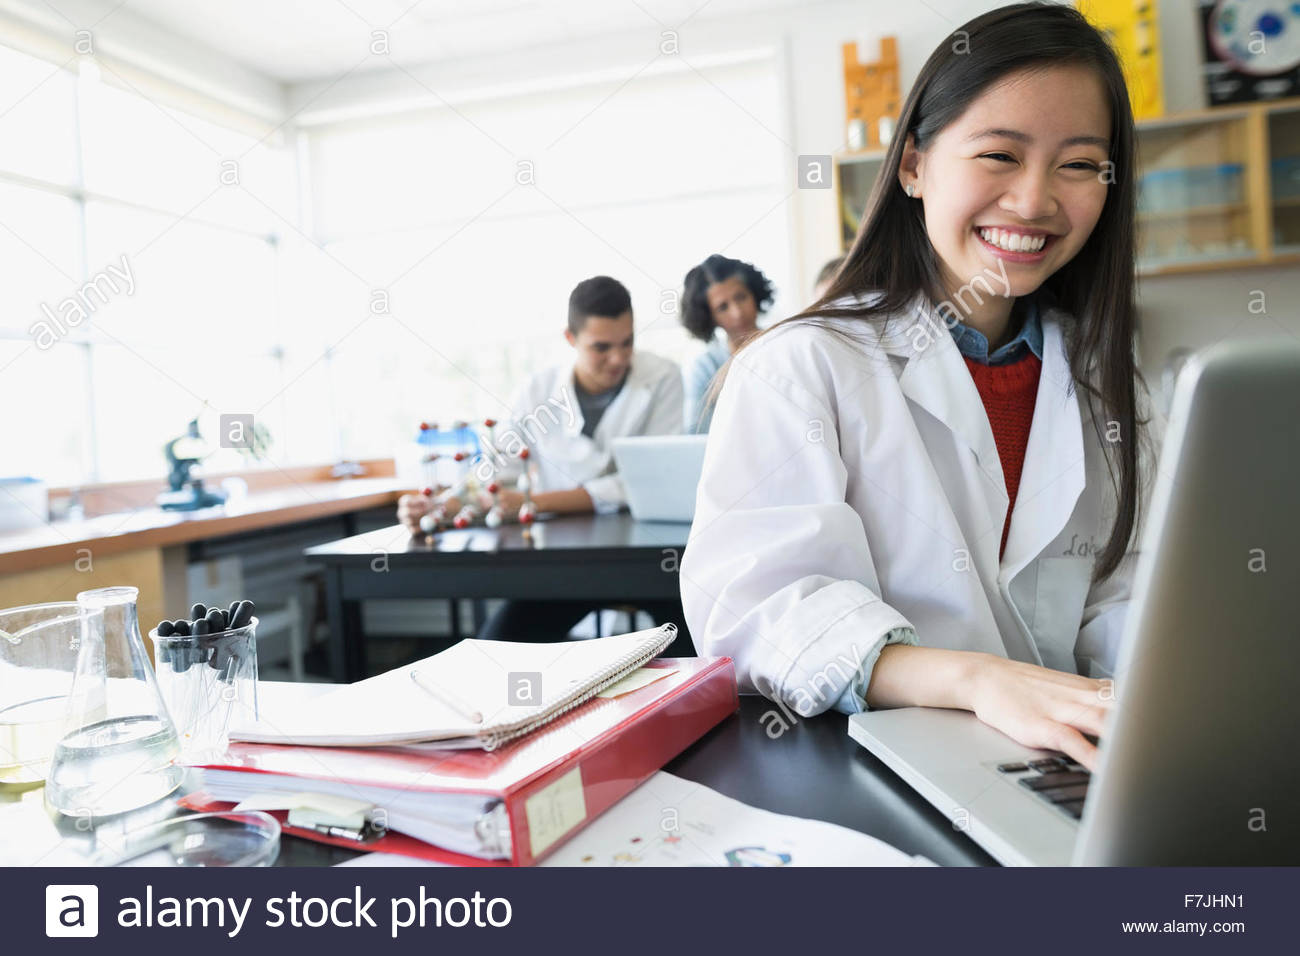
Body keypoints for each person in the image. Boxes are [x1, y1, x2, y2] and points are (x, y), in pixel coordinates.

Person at [681, 2, 1164, 771]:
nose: (1036, 201)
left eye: (1078, 165)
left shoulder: (1110, 381)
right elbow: (761, 612)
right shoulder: (801, 367)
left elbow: (1126, 599)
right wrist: (979, 681)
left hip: (1071, 766)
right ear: (913, 166)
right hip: (872, 774)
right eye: (1000, 155)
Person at [398, 275, 686, 642]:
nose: (618, 359)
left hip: (648, 559)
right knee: (497, 649)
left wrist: (533, 502)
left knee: (702, 655)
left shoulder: (663, 377)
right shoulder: (538, 390)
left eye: (627, 343)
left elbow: (651, 480)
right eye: (602, 347)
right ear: (571, 338)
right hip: (566, 564)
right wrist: (438, 506)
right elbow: (496, 467)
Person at [678, 254, 775, 433]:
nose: (737, 312)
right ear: (710, 317)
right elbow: (695, 436)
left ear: (754, 293)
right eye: (723, 307)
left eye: (741, 297)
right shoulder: (705, 368)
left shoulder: (783, 347)